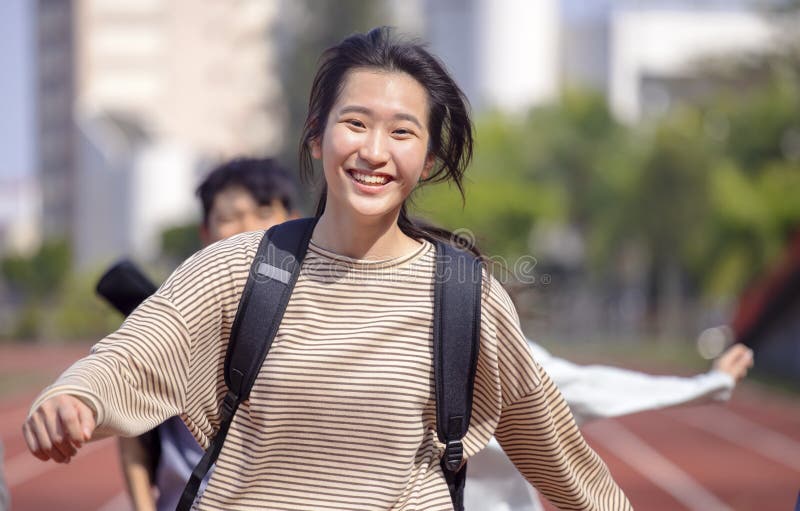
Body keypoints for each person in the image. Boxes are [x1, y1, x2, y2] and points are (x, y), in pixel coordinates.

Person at [22, 27, 633, 510]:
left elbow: (556, 448)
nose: (374, 151)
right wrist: (74, 397)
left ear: (427, 156)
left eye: (402, 131)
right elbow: (131, 357)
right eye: (355, 123)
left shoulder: (464, 295)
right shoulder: (238, 271)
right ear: (316, 137)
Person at [117, 157, 300, 511]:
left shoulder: (323, 315)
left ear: (294, 222)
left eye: (263, 213)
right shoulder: (175, 319)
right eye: (229, 218)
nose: (248, 229)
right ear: (205, 234)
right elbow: (133, 430)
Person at [465, 340, 754, 510]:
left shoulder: (481, 342)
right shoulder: (494, 341)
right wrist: (713, 384)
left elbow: (586, 386)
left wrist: (712, 385)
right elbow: (589, 387)